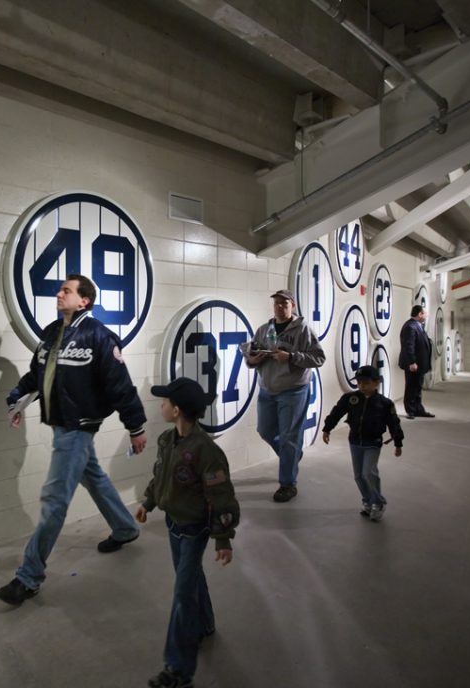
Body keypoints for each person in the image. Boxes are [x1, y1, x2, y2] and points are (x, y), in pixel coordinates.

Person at [0, 274, 147, 606]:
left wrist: (135, 428)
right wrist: (17, 398)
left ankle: (29, 576)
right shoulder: (52, 333)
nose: (59, 293)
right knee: (94, 477)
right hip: (60, 424)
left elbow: (121, 386)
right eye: (61, 289)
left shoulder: (100, 337)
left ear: (85, 301)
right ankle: (125, 528)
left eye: (67, 290)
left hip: (79, 427)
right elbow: (38, 374)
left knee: (54, 500)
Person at [136, 377, 239, 688]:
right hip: (173, 526)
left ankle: (178, 670)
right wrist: (148, 501)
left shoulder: (207, 452)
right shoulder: (168, 441)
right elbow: (161, 477)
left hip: (195, 530)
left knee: (182, 596)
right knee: (191, 578)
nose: (161, 405)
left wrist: (223, 538)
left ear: (177, 409)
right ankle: (205, 624)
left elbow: (222, 498)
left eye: (164, 402)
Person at [244, 289, 325, 503]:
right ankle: (292, 455)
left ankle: (287, 484)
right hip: (267, 390)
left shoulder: (303, 330)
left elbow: (318, 358)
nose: (280, 306)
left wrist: (291, 357)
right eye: (276, 303)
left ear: (293, 306)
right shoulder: (264, 330)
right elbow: (251, 358)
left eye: (284, 303)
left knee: (289, 437)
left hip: (293, 390)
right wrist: (253, 359)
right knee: (265, 430)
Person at [321, 365, 404, 522]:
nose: (361, 386)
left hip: (373, 443)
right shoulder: (350, 399)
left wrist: (398, 442)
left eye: (365, 383)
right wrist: (327, 429)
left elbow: (394, 423)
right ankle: (367, 500)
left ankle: (378, 503)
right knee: (358, 476)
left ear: (376, 383)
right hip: (355, 442)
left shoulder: (385, 403)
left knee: (369, 472)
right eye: (358, 382)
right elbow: (336, 413)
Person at [398, 305, 433, 420]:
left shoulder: (418, 326)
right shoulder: (410, 327)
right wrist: (412, 362)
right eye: (425, 313)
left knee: (417, 387)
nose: (426, 316)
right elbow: (409, 346)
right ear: (420, 314)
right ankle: (411, 410)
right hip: (413, 364)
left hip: (420, 364)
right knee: (411, 386)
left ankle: (419, 409)